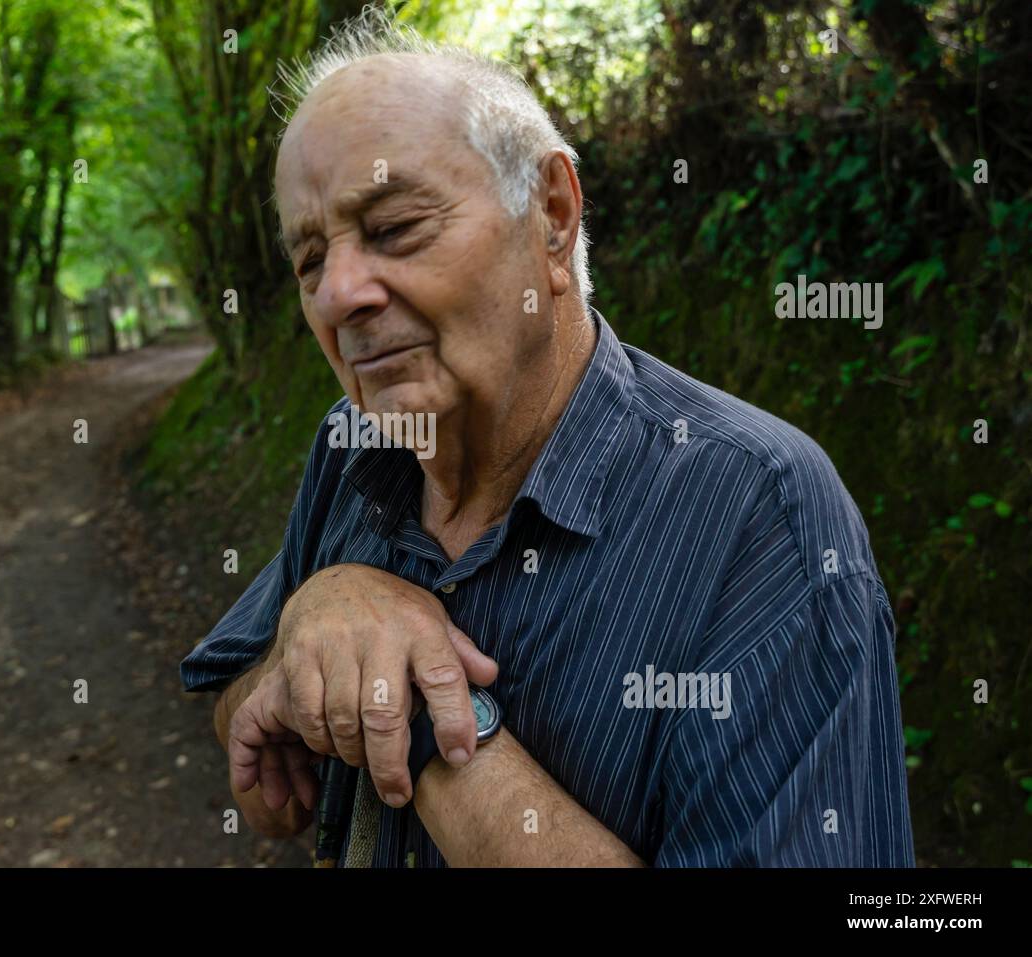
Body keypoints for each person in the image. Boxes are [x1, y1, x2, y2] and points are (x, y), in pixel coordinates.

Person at [181, 6, 914, 868]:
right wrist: (315, 609)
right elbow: (256, 760)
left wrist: (424, 715)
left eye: (393, 229)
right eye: (309, 260)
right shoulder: (349, 448)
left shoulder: (761, 514)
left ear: (554, 216)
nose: (339, 294)